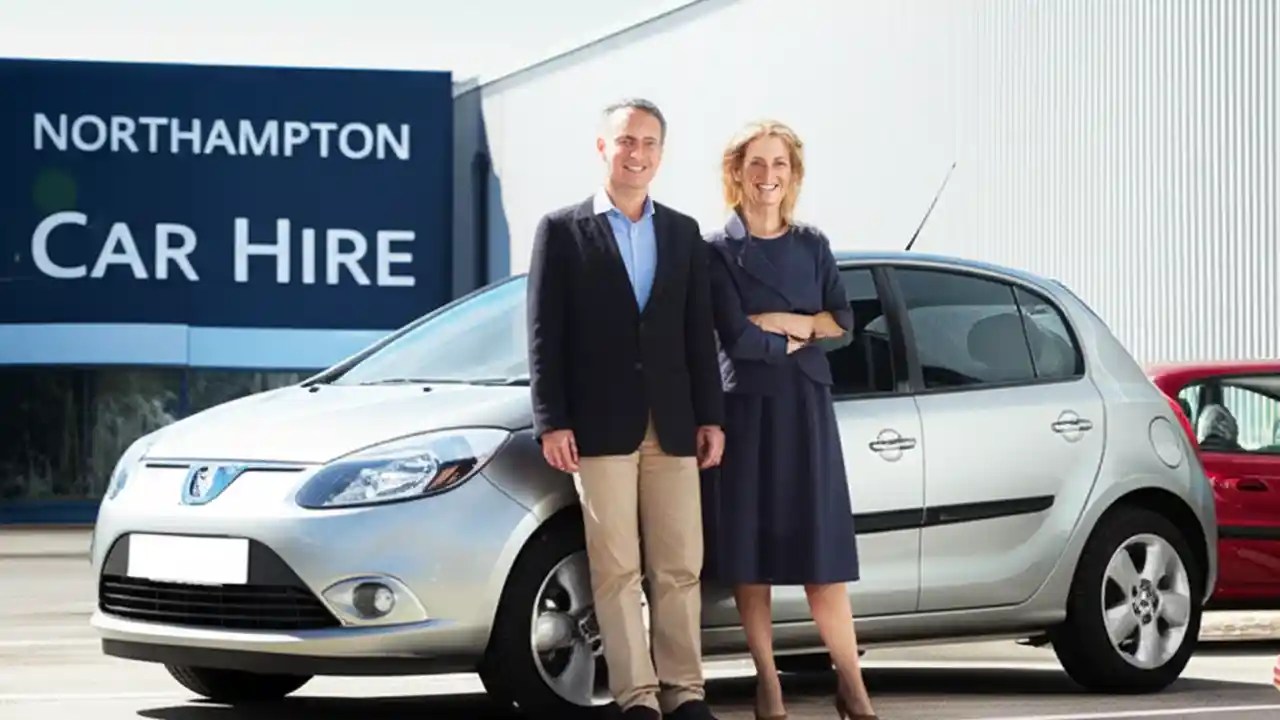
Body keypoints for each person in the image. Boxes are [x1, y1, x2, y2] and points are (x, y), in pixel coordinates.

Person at [525, 98, 726, 720]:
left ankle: (684, 692)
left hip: (672, 424)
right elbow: (542, 332)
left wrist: (710, 416)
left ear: (661, 153)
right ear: (602, 148)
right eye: (625, 141)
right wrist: (551, 419)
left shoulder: (683, 232)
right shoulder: (561, 230)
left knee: (679, 566)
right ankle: (637, 697)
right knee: (616, 571)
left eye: (648, 142)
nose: (636, 152)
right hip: (598, 427)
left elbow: (699, 332)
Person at [699, 120, 878, 720]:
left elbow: (845, 325)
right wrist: (802, 328)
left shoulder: (813, 245)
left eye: (780, 164)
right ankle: (768, 684)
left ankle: (852, 685)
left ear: (793, 174)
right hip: (746, 409)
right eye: (756, 163)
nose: (768, 175)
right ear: (737, 170)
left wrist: (790, 324)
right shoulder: (716, 251)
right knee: (751, 560)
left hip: (806, 410)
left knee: (822, 558)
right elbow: (737, 339)